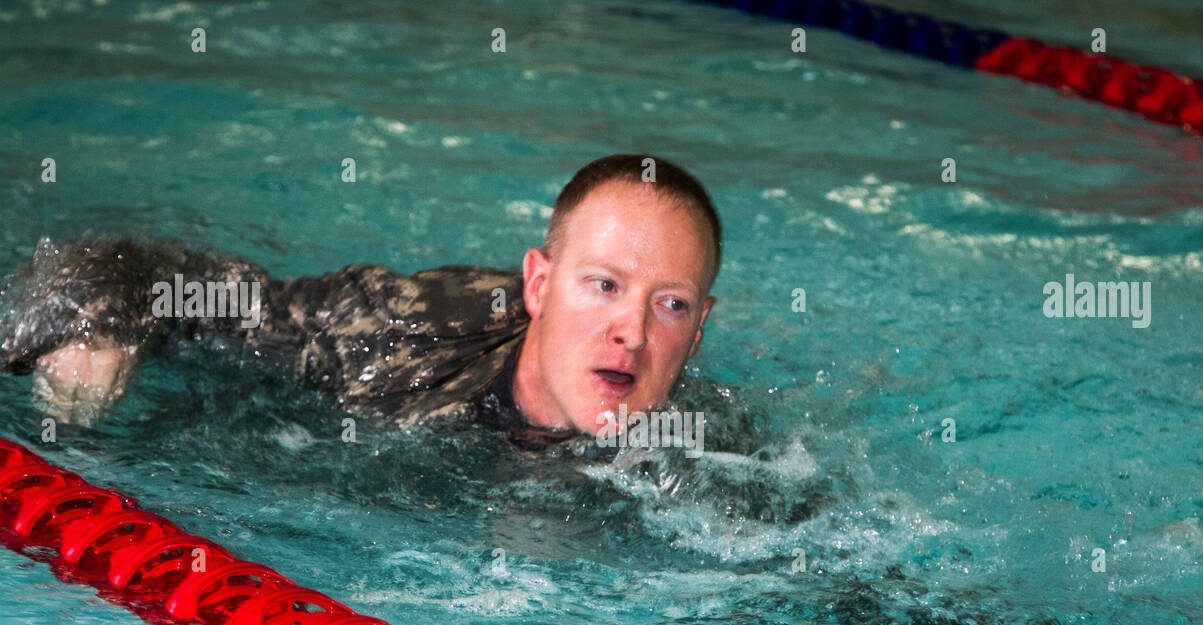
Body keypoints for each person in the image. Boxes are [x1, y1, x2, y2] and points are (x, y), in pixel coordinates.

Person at [0, 154, 721, 445]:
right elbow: (152, 272)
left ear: (697, 331)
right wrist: (98, 321)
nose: (631, 330)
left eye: (671, 305)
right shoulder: (392, 335)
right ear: (538, 284)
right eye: (603, 287)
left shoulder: (713, 463)